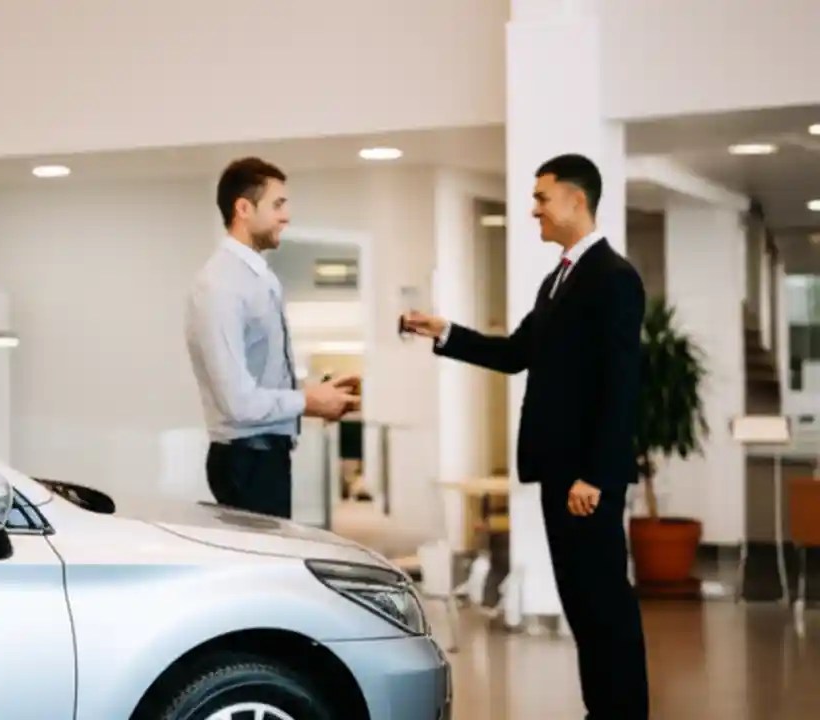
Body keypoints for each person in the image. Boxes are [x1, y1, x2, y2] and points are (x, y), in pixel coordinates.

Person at [402, 153, 650, 719]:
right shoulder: (558, 279)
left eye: (541, 197)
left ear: (575, 200)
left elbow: (621, 386)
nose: (533, 208)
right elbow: (517, 353)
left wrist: (598, 473)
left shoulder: (613, 278)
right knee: (583, 608)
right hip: (560, 472)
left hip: (587, 479)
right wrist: (447, 333)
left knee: (606, 607)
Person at [184, 157, 359, 519]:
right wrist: (307, 401)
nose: (286, 216)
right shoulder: (220, 285)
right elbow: (237, 402)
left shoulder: (258, 277)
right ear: (243, 208)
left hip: (266, 457)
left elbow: (262, 376)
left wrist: (319, 394)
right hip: (245, 461)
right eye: (277, 204)